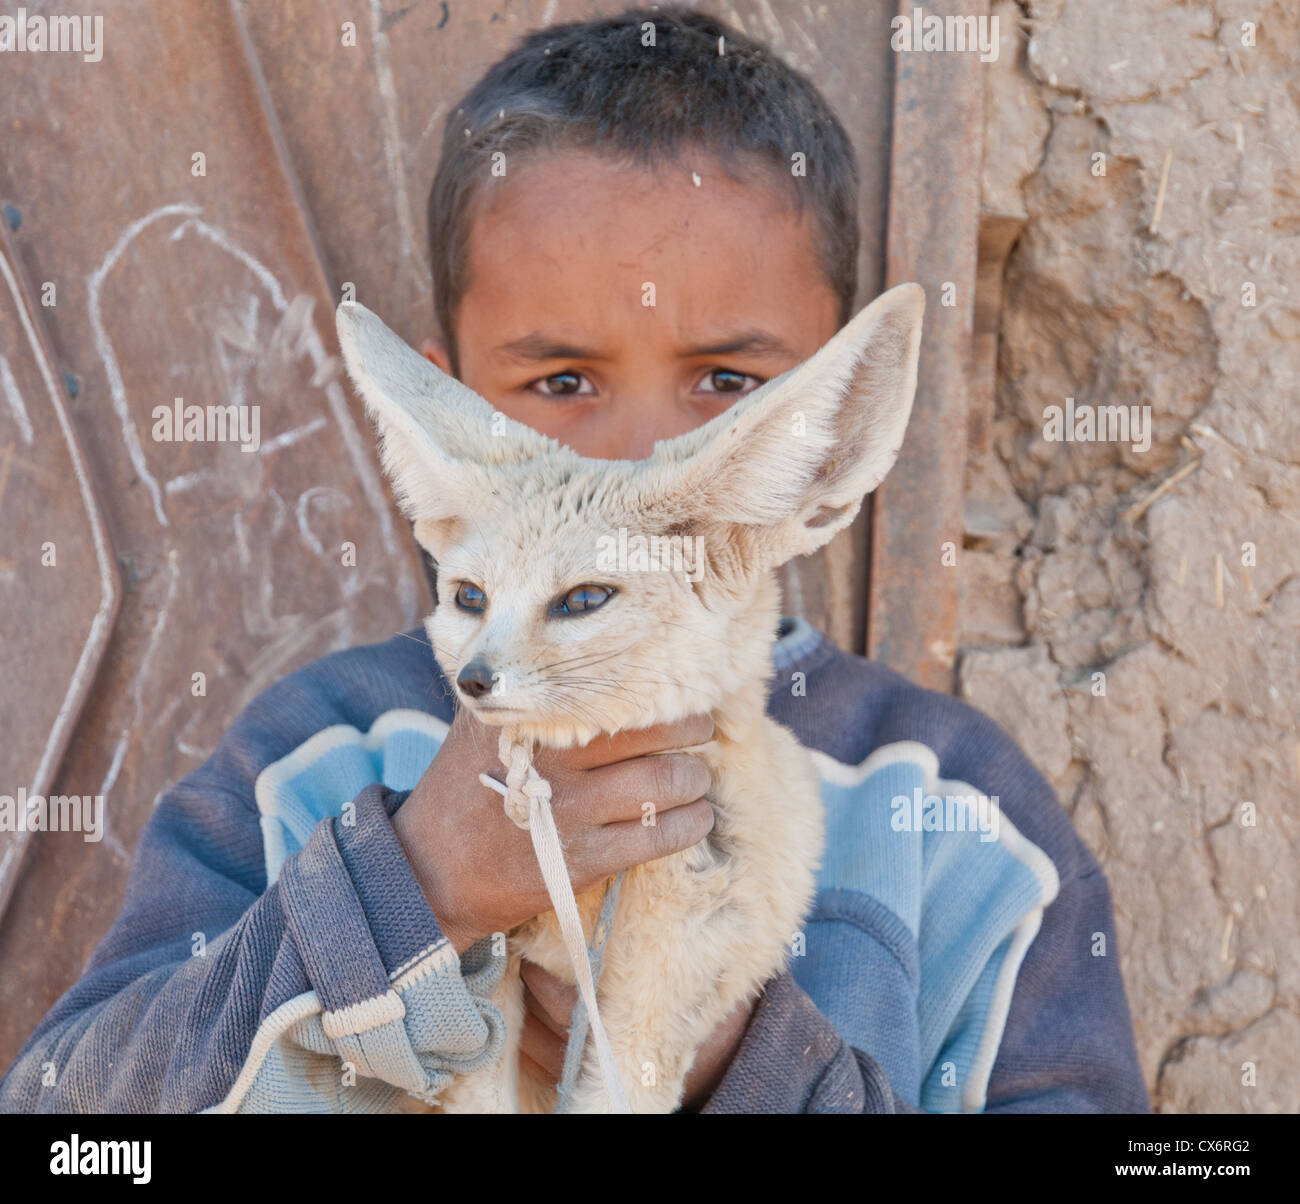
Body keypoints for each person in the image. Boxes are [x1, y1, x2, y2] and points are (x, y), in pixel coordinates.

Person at [0, 6, 1149, 1114]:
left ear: (827, 434)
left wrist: (711, 1054)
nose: (641, 455)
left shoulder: (949, 818)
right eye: (560, 384)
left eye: (728, 387)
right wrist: (416, 890)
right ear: (445, 421)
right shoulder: (316, 759)